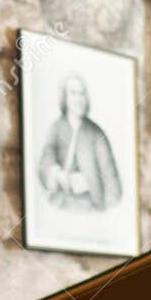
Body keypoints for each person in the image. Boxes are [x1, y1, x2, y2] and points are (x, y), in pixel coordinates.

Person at [38, 73, 123, 212]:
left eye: (82, 94)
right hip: (60, 203)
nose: (78, 99)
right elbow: (46, 160)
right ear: (65, 97)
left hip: (90, 203)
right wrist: (58, 174)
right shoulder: (56, 128)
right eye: (73, 93)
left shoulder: (96, 133)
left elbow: (111, 180)